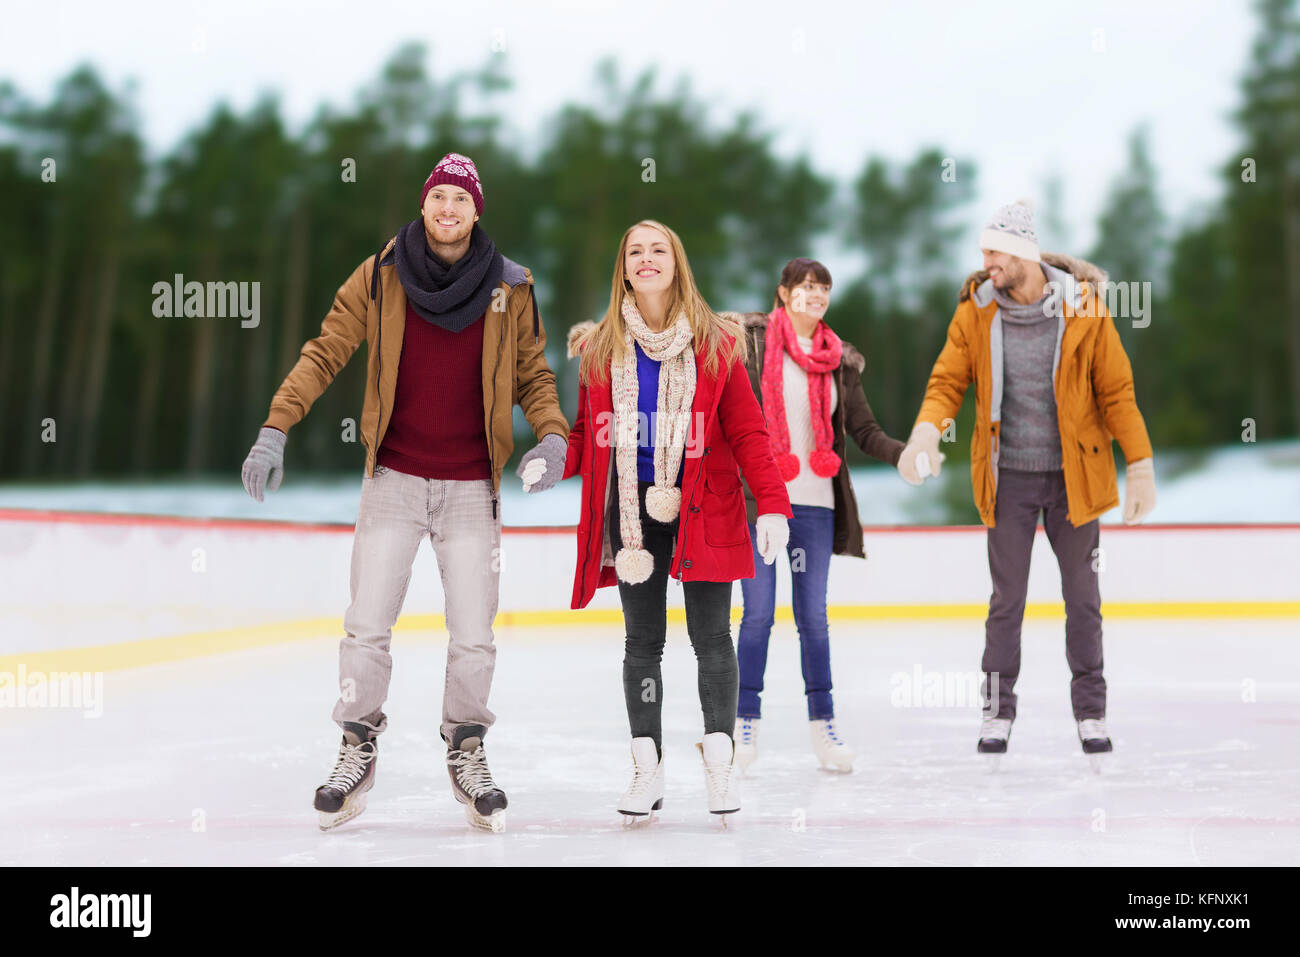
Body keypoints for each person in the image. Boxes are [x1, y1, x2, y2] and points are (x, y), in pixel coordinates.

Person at [240, 152, 569, 831]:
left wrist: (554, 435)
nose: (448, 210)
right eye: (439, 197)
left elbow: (533, 374)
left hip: (473, 484)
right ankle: (356, 744)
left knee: (475, 634)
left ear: (478, 211)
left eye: (462, 200)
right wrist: (276, 425)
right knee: (366, 625)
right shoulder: (381, 274)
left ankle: (467, 746)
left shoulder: (511, 285)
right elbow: (325, 349)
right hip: (393, 475)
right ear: (425, 205)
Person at [897, 200, 1157, 758]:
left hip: (1074, 479)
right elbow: (948, 381)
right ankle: (996, 716)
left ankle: (1091, 714)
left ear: (1021, 252)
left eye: (994, 251)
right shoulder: (976, 311)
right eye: (983, 251)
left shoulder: (1084, 309)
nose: (985, 261)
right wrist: (924, 433)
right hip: (1008, 477)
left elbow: (1116, 392)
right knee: (1006, 601)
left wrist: (1139, 463)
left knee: (1083, 598)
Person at [562, 220, 792, 821]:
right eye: (633, 251)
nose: (645, 259)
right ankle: (648, 770)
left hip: (703, 508)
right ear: (623, 269)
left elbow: (747, 430)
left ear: (676, 263)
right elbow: (587, 436)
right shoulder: (601, 347)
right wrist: (548, 457)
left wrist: (771, 502)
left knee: (712, 640)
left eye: (657, 249)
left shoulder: (717, 343)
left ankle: (720, 770)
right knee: (643, 644)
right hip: (633, 514)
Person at [733, 258, 905, 773]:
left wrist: (905, 454)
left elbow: (864, 430)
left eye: (823, 287)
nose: (816, 294)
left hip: (816, 506)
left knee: (813, 619)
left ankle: (824, 728)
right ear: (783, 293)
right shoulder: (752, 345)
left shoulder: (839, 361)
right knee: (759, 614)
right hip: (762, 503)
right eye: (806, 286)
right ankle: (744, 724)